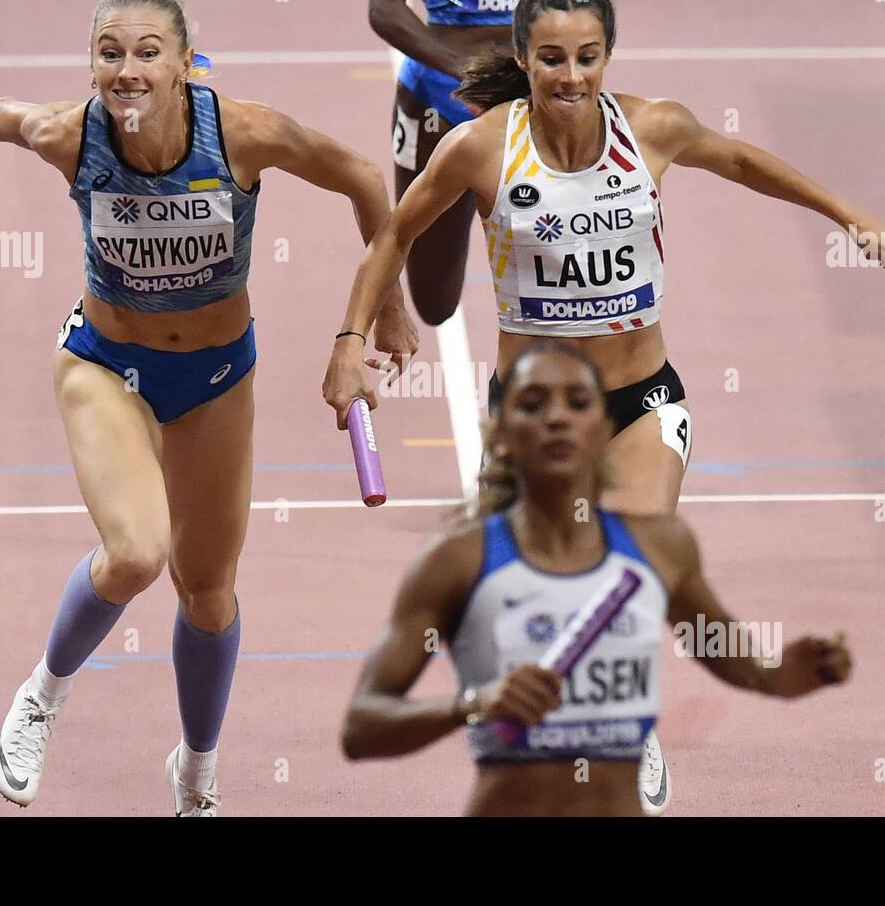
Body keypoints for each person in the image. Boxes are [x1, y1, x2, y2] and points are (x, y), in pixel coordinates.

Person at [324, 0, 885, 813]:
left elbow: (743, 161)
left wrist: (851, 216)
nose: (570, 77)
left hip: (640, 405)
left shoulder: (654, 127)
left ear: (608, 56)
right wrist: (352, 342)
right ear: (521, 56)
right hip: (529, 419)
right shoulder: (482, 145)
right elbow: (394, 235)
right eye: (551, 58)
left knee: (626, 558)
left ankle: (631, 731)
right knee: (527, 587)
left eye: (587, 57)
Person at [0, 0, 417, 816]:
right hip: (105, 366)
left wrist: (385, 315)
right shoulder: (66, 136)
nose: (128, 70)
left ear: (187, 65)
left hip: (219, 376)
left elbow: (366, 179)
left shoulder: (243, 135)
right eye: (111, 54)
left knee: (209, 589)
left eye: (148, 54)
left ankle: (195, 773)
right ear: (91, 69)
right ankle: (43, 695)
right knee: (135, 555)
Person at [340, 342, 852, 816]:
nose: (557, 417)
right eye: (534, 403)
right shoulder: (457, 561)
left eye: (577, 402)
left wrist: (787, 673)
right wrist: (469, 704)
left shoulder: (660, 548)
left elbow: (753, 670)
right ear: (500, 431)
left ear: (604, 426)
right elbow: (362, 726)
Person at [370, 0, 643, 325]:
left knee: (563, 285)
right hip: (444, 96)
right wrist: (471, 73)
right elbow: (383, 5)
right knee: (434, 302)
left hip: (544, 96)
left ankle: (544, 372)